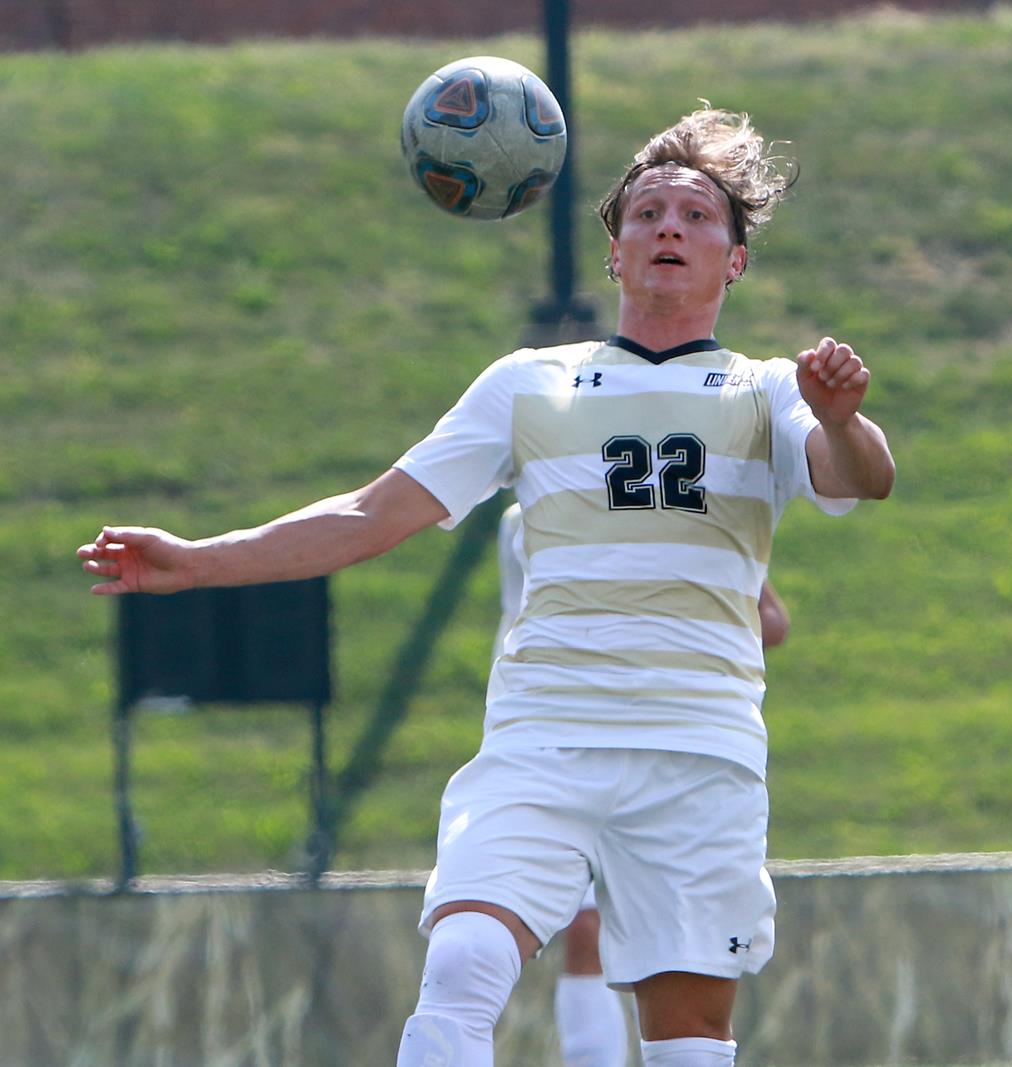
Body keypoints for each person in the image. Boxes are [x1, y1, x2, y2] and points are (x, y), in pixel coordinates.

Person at [80, 106, 895, 1067]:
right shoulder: (526, 384)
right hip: (543, 737)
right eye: (645, 213)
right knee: (464, 962)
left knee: (688, 1040)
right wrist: (198, 560)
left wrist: (840, 419)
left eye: (695, 215)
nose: (668, 227)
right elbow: (370, 514)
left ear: (735, 260)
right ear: (615, 253)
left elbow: (862, 477)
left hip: (698, 748)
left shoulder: (771, 389)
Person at [492, 503, 790, 1067]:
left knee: (671, 954)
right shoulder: (535, 511)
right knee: (581, 932)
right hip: (562, 740)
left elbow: (771, 621)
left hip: (667, 746)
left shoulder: (681, 508)